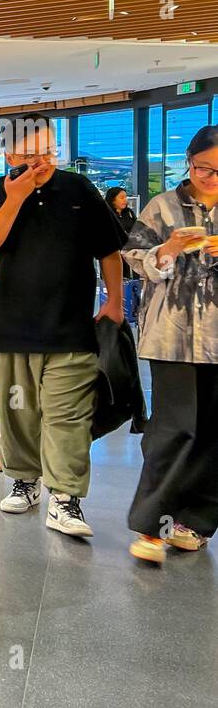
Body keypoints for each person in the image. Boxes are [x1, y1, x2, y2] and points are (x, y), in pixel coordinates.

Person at [0, 116, 126, 538]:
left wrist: (113, 301)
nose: (40, 164)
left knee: (67, 416)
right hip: (9, 330)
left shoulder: (78, 189)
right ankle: (24, 480)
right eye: (29, 156)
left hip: (71, 330)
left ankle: (66, 497)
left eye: (47, 154)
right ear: (9, 156)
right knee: (17, 414)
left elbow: (109, 250)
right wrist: (15, 199)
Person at [122, 126, 218, 563]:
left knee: (213, 433)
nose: (211, 178)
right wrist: (168, 250)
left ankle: (195, 523)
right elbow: (133, 258)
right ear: (189, 160)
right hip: (172, 336)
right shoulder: (163, 206)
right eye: (204, 168)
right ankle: (153, 525)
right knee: (174, 428)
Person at [105, 186, 141, 323]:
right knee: (116, 279)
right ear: (113, 199)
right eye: (121, 197)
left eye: (125, 197)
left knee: (132, 280)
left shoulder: (129, 213)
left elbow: (137, 230)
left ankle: (131, 309)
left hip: (130, 252)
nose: (125, 200)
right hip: (114, 253)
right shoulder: (107, 213)